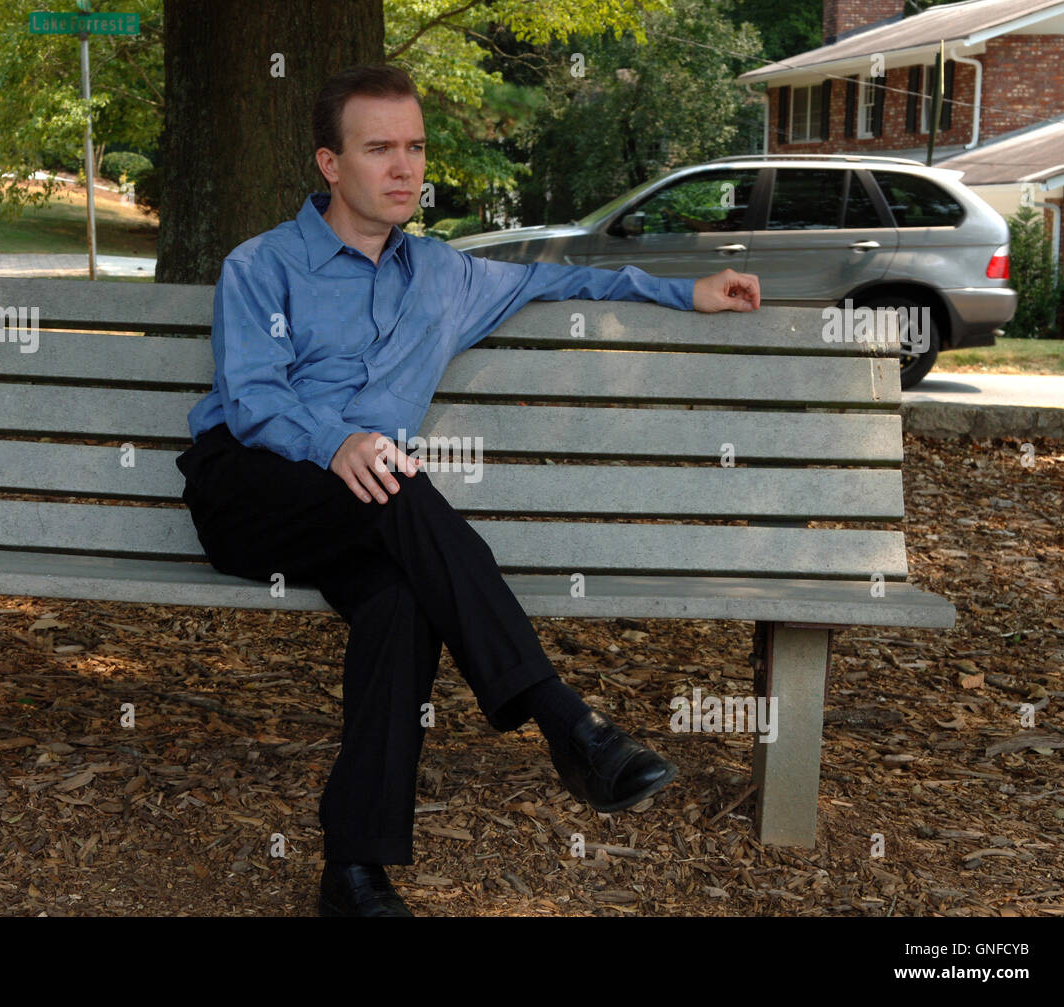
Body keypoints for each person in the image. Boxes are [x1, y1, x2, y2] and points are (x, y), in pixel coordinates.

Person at [176, 64, 761, 917]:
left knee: (402, 601)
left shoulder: (447, 277)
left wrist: (685, 292)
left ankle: (354, 873)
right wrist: (335, 440)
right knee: (396, 481)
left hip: (372, 514)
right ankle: (564, 721)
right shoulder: (262, 265)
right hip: (252, 492)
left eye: (413, 147)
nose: (404, 167)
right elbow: (255, 400)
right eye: (379, 148)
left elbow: (562, 275)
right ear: (330, 164)